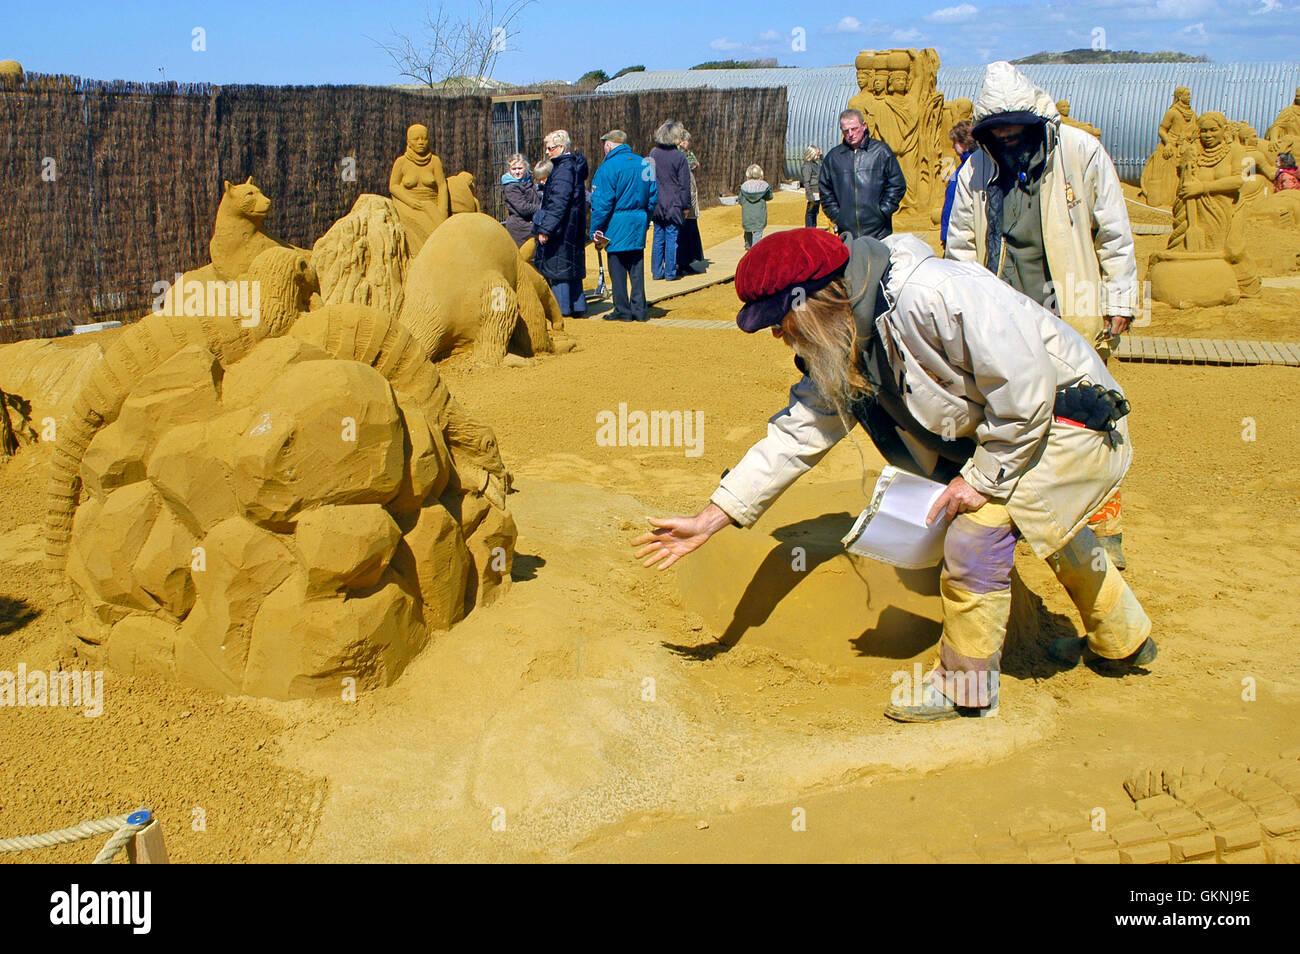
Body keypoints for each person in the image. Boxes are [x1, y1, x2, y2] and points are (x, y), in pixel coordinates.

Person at [632, 228, 1155, 722]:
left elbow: (1025, 388)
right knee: (1049, 523)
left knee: (977, 532)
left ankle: (966, 689)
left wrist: (981, 480)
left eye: (779, 319)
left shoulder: (932, 295)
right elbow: (796, 437)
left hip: (1066, 418)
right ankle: (1124, 638)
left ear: (810, 302)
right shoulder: (842, 335)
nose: (776, 333)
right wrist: (709, 520)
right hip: (1016, 425)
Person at [945, 62, 1138, 569]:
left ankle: (1103, 528)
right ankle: (1030, 518)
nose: (1008, 142)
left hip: (1071, 312)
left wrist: (1119, 301)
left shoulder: (1080, 153)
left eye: (1016, 132)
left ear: (1035, 123)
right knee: (1015, 414)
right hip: (1007, 322)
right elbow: (962, 246)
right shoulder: (976, 171)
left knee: (1091, 421)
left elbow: (1114, 233)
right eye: (998, 135)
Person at [589, 129, 658, 322]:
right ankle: (640, 309)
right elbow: (653, 197)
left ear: (609, 145)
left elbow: (602, 203)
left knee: (617, 266)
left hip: (616, 223)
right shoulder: (644, 164)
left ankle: (622, 309)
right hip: (638, 221)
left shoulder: (607, 168)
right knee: (636, 266)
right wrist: (646, 218)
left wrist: (595, 229)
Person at [818, 108, 907, 239]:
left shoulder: (881, 152)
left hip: (879, 232)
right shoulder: (833, 157)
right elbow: (825, 191)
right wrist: (838, 216)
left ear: (864, 126)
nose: (850, 134)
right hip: (847, 232)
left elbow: (897, 184)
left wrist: (883, 211)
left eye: (854, 129)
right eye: (846, 131)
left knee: (877, 260)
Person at [534, 129, 590, 318]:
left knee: (559, 271)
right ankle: (578, 306)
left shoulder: (563, 170)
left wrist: (546, 229)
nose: (547, 152)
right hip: (572, 227)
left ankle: (561, 311)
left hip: (562, 230)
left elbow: (558, 203)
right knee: (571, 268)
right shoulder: (572, 166)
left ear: (560, 147)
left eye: (550, 148)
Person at [388, 123, 451, 253]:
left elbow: (442, 186)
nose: (421, 142)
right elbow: (393, 186)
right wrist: (410, 202)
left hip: (431, 206)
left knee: (443, 231)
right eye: (416, 139)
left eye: (424, 138)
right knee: (426, 230)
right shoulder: (401, 162)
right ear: (408, 142)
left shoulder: (434, 161)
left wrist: (442, 210)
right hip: (410, 206)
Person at [648, 121, 692, 281]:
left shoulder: (653, 153)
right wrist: (686, 205)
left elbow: (647, 178)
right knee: (672, 238)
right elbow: (684, 184)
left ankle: (657, 271)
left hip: (657, 202)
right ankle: (670, 272)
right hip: (674, 203)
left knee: (658, 237)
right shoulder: (679, 156)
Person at [939, 120, 975, 250]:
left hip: (961, 234)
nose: (953, 147)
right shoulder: (960, 167)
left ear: (965, 142)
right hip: (951, 231)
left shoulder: (972, 167)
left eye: (956, 142)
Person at [676, 130, 705, 274]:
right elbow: (692, 165)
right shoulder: (679, 154)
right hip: (683, 199)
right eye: (686, 141)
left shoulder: (687, 153)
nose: (688, 144)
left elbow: (696, 165)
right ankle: (681, 262)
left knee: (689, 228)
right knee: (683, 230)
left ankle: (687, 261)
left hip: (690, 196)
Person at [501, 153, 540, 246]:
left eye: (520, 168)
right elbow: (523, 208)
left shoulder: (528, 180)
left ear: (526, 168)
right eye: (514, 169)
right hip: (520, 227)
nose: (517, 172)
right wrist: (542, 207)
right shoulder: (511, 187)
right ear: (509, 170)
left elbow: (537, 195)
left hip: (533, 221)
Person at [738, 164, 773, 249]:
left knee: (748, 229)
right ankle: (755, 248)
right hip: (760, 214)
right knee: (758, 232)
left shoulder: (744, 187)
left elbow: (740, 200)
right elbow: (769, 197)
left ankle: (748, 245)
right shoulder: (764, 186)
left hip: (747, 214)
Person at [801, 145, 823, 228]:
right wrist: (810, 195)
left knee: (815, 212)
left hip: (818, 192)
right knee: (810, 212)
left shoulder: (815, 164)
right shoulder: (807, 166)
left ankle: (813, 228)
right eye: (816, 155)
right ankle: (809, 229)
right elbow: (806, 182)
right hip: (813, 192)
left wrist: (821, 156)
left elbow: (825, 165)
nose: (817, 157)